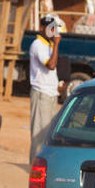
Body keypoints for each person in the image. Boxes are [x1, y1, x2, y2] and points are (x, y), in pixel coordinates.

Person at [30, 14, 64, 159]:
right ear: (42, 28)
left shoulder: (49, 45)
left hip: (51, 94)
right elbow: (51, 65)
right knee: (39, 133)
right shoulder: (38, 45)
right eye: (50, 28)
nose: (53, 31)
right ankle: (34, 166)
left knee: (50, 132)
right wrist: (57, 44)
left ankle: (44, 164)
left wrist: (58, 85)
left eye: (54, 28)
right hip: (41, 93)